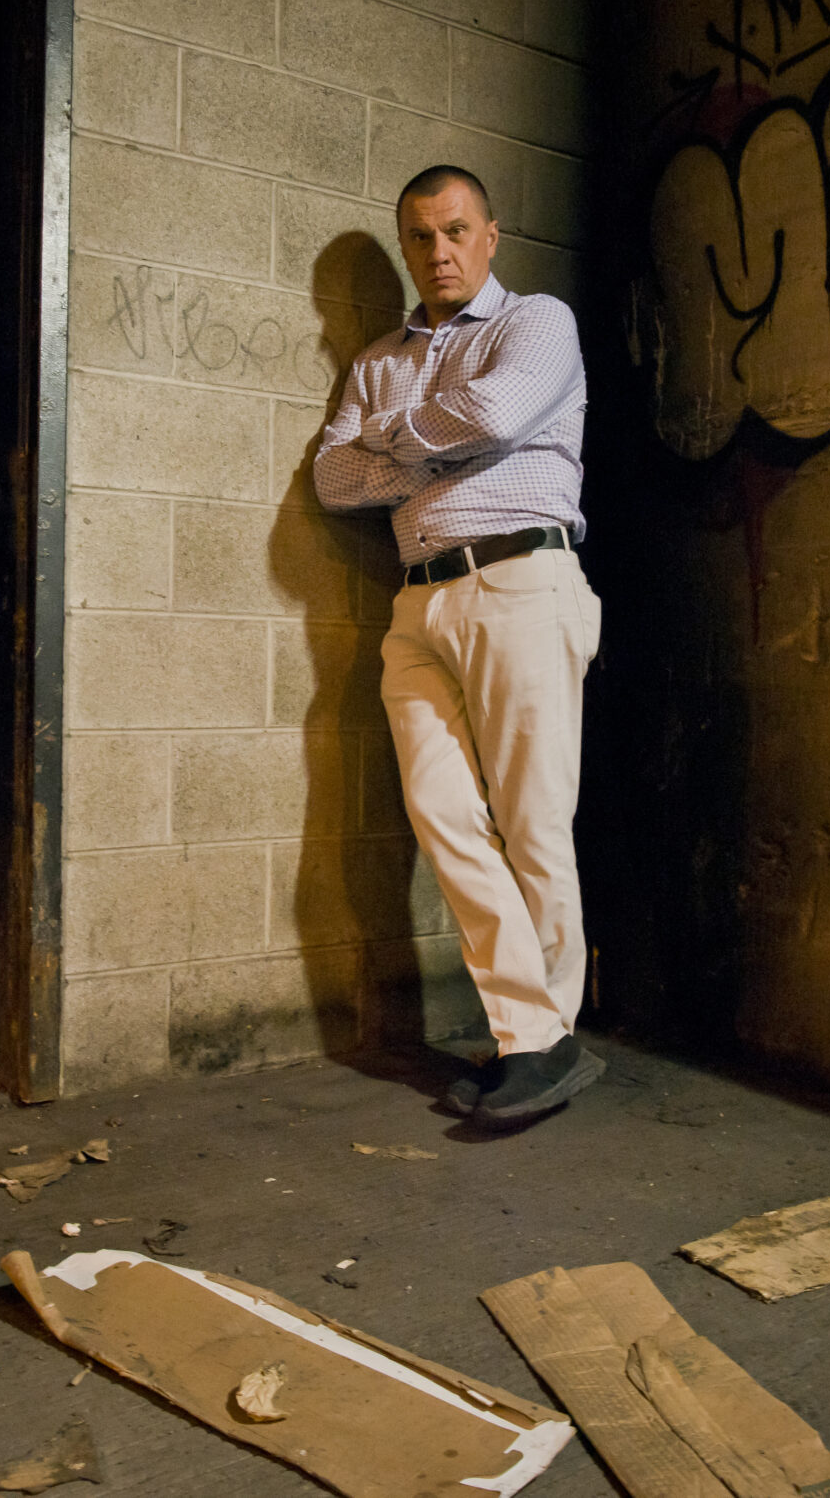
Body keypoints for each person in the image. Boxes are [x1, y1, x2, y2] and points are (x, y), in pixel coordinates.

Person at [313, 164, 604, 1127]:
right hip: (420, 601)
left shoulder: (538, 324)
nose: (438, 251)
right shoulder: (375, 360)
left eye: (455, 231)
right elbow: (333, 480)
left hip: (522, 579)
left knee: (532, 821)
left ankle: (535, 1040)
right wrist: (434, 443)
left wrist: (395, 445)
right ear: (406, 248)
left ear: (489, 235)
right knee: (443, 815)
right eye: (420, 237)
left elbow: (493, 412)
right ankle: (541, 1039)